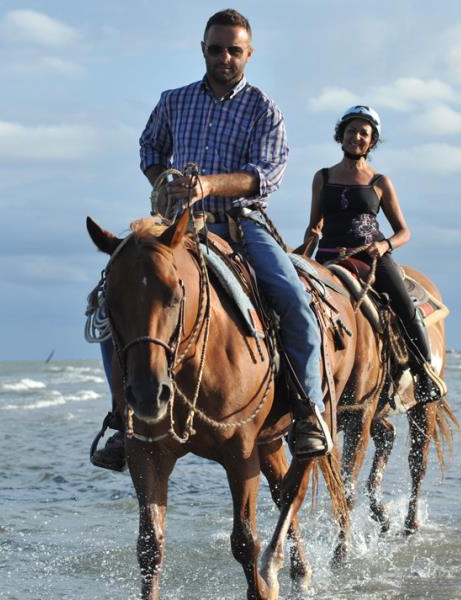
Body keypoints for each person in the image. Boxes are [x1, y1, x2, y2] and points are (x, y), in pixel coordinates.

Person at [91, 8, 331, 471]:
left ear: (249, 54)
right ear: (203, 49)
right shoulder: (173, 100)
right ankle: (124, 418)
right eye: (216, 48)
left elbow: (266, 175)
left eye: (234, 50)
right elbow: (149, 149)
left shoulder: (263, 108)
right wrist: (165, 181)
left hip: (241, 224)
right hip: (177, 227)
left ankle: (308, 413)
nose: (225, 57)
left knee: (294, 301)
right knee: (108, 302)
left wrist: (207, 186)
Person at [303, 105, 445, 401]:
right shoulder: (323, 177)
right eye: (351, 131)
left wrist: (384, 245)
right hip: (328, 257)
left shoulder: (379, 182)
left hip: (371, 257)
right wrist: (302, 254)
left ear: (372, 141)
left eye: (363, 133)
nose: (356, 137)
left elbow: (404, 231)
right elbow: (314, 225)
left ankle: (423, 375)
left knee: (406, 307)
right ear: (340, 135)